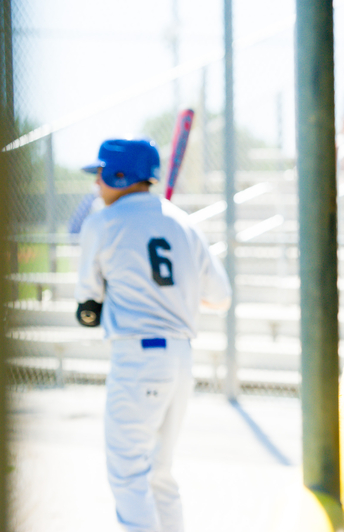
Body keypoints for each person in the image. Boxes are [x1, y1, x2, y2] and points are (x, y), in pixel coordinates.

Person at [74, 138, 232, 532]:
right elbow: (221, 297)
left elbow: (87, 308)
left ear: (119, 175)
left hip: (137, 357)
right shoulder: (183, 222)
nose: (96, 183)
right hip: (180, 358)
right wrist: (175, 295)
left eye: (100, 173)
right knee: (160, 474)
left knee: (128, 475)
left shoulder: (102, 222)